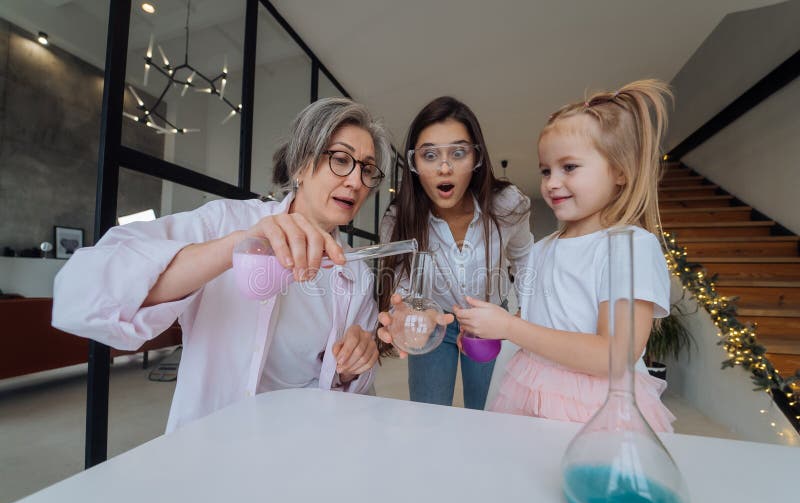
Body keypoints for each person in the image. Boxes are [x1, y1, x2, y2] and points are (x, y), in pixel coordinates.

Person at [52, 98, 392, 432]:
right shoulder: (226, 222)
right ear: (301, 165)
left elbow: (348, 390)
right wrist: (236, 247)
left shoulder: (356, 271)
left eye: (367, 169)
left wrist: (352, 366)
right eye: (341, 159)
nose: (356, 181)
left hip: (301, 440)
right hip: (212, 441)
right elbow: (81, 291)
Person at [453, 80, 676, 431]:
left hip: (597, 408)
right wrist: (491, 330)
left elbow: (615, 355)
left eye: (569, 167)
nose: (552, 182)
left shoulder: (630, 246)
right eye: (546, 170)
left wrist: (511, 326)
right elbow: (535, 320)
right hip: (528, 390)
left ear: (620, 171)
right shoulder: (541, 249)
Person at [377, 96, 533, 410]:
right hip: (433, 320)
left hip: (491, 319)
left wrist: (523, 315)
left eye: (458, 153)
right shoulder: (399, 218)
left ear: (476, 157)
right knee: (428, 413)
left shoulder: (507, 204)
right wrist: (409, 313)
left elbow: (525, 257)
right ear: (414, 164)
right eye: (430, 155)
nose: (444, 168)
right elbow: (403, 284)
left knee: (489, 411)